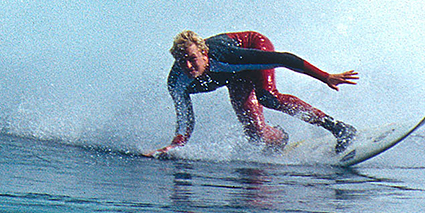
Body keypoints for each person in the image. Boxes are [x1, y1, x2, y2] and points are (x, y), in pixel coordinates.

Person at [148, 30, 358, 157]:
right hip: (235, 77)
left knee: (268, 96)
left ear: (204, 54)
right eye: (181, 60)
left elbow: (285, 59)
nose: (188, 65)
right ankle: (279, 138)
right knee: (257, 137)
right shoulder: (177, 82)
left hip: (251, 45)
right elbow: (185, 119)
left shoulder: (227, 56)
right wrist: (175, 147)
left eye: (192, 58)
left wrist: (326, 76)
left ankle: (339, 128)